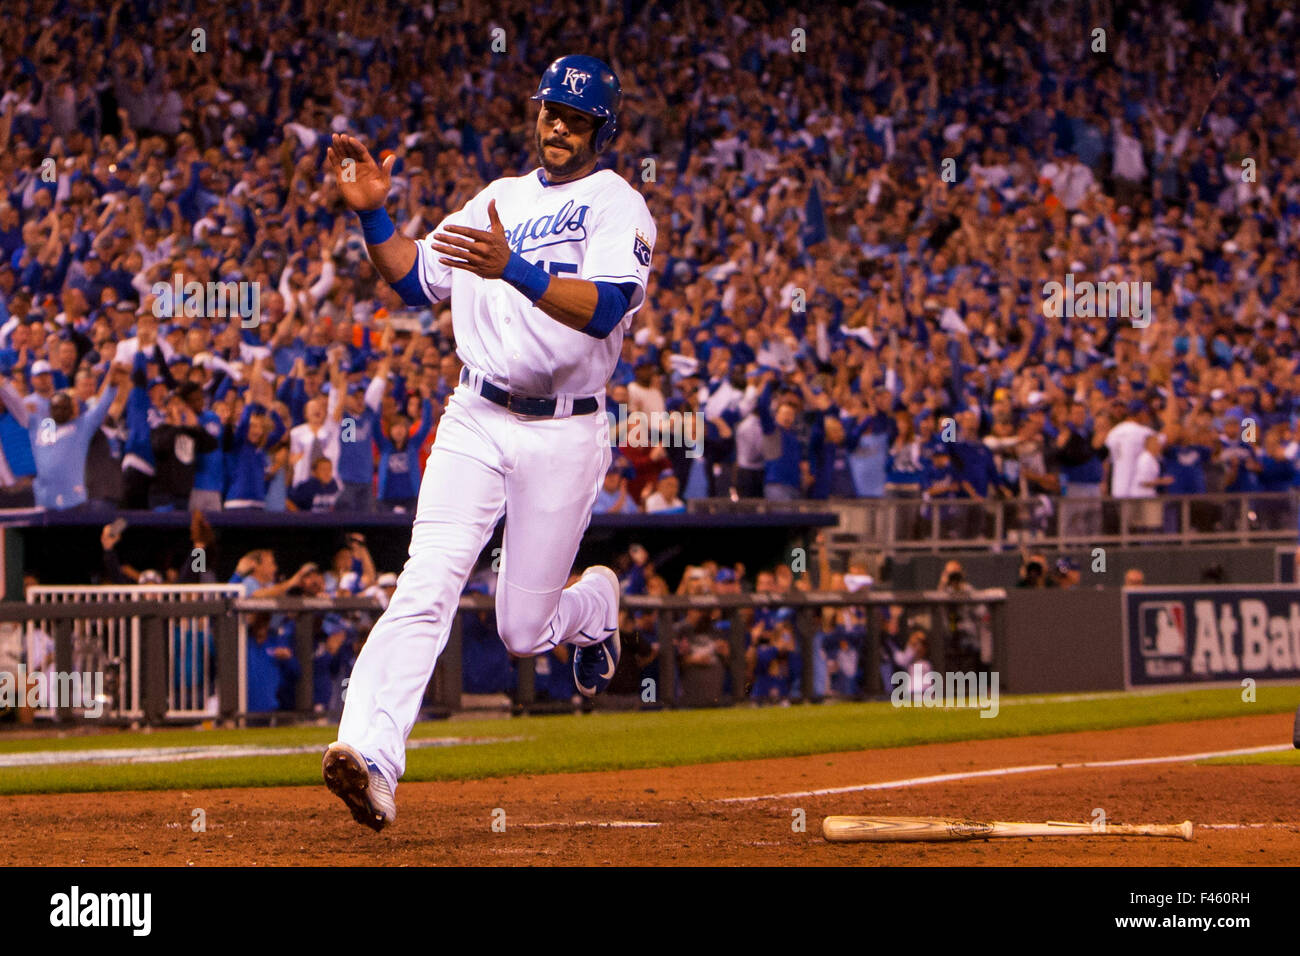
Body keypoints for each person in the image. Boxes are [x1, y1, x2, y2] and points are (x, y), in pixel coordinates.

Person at [321, 56, 656, 831]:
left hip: (565, 429)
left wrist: (516, 269)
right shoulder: (493, 199)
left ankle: (594, 605)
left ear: (602, 130)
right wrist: (374, 216)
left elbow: (607, 309)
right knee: (426, 582)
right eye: (551, 110)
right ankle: (371, 756)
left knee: (521, 632)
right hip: (475, 414)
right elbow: (415, 279)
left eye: (576, 118)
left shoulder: (618, 202)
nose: (558, 125)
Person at [0, 364, 126, 510]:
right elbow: (17, 405)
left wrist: (112, 386)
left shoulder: (81, 426)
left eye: (64, 407)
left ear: (73, 409)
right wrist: (3, 384)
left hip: (74, 500)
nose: (60, 410)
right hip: (45, 501)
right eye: (56, 407)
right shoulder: (41, 426)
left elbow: (101, 408)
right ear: (49, 408)